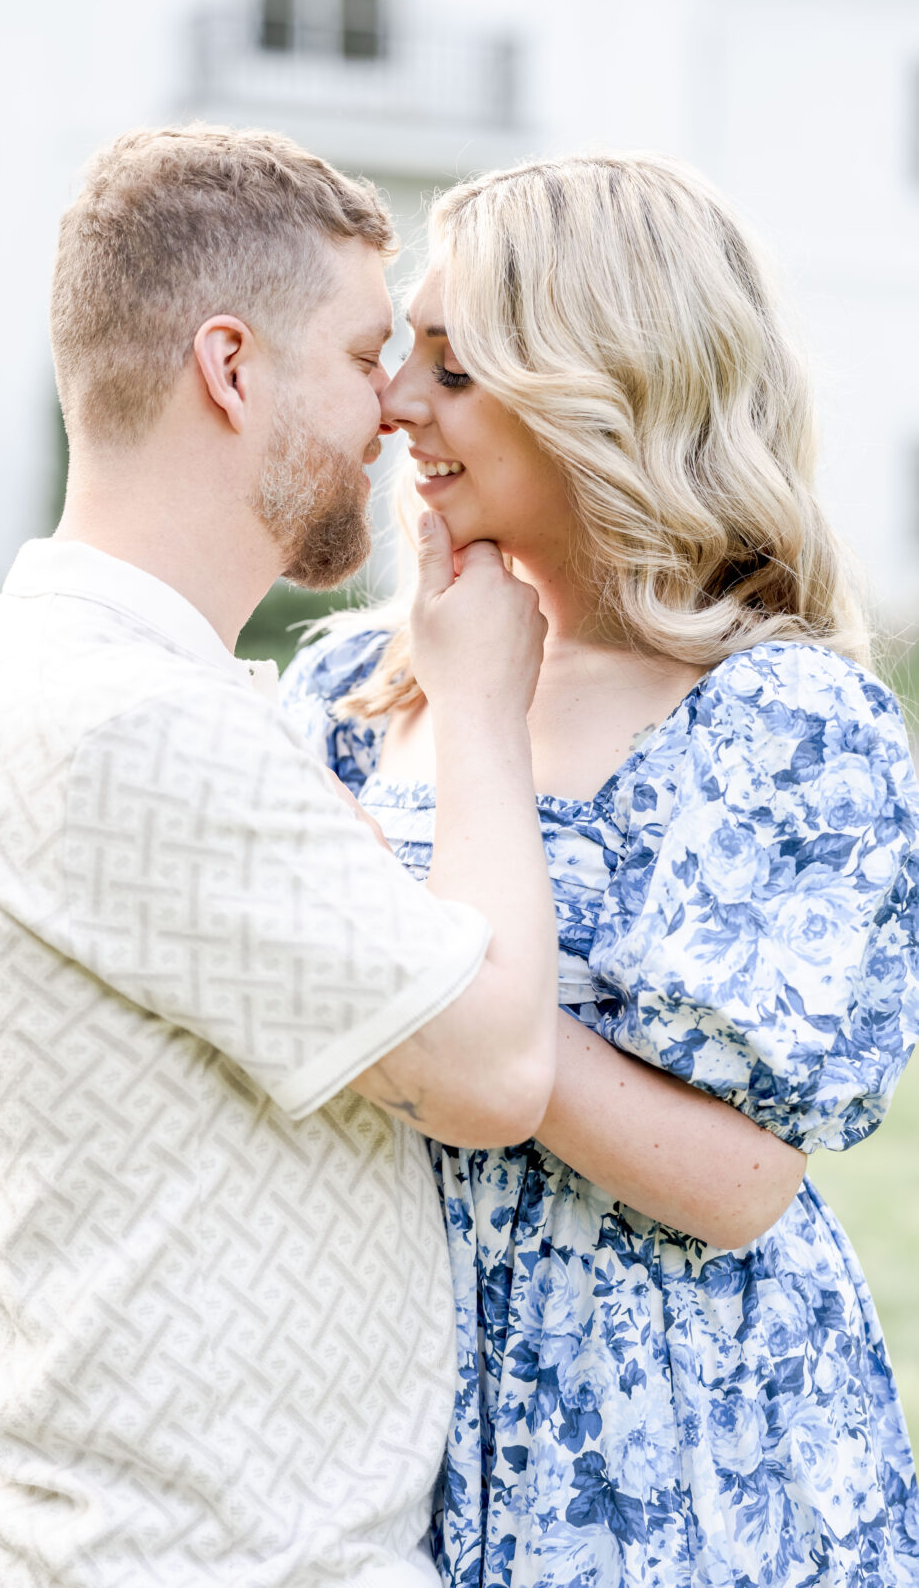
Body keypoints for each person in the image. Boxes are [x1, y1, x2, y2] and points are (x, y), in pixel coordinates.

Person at [0, 124, 566, 1588]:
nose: (394, 405)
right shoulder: (121, 718)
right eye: (367, 349)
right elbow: (500, 1067)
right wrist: (483, 708)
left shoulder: (116, 677)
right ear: (234, 368)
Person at [281, 154, 919, 1587]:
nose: (395, 406)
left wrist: (448, 1012)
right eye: (404, 359)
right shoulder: (344, 692)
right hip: (371, 1431)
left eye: (451, 371)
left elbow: (743, 1182)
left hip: (671, 1461)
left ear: (597, 392)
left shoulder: (786, 727)